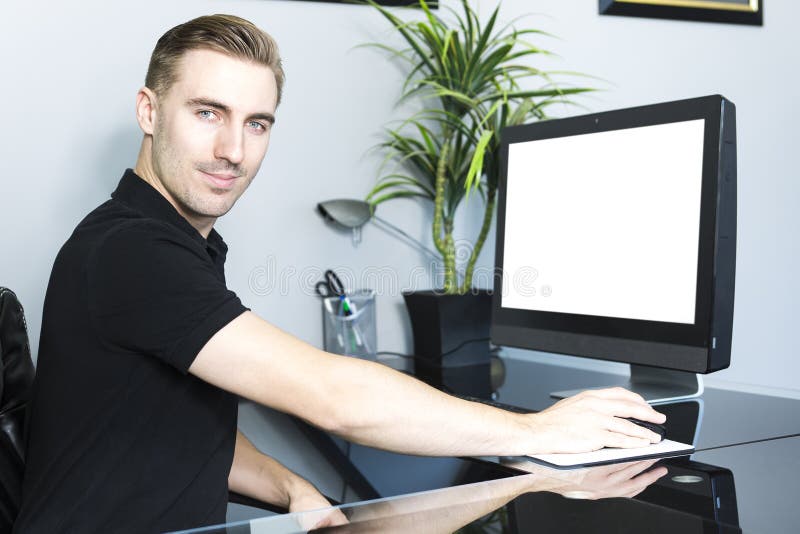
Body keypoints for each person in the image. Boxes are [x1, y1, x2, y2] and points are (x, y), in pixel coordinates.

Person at [13, 14, 666, 533]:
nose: (233, 150)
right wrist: (535, 432)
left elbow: (162, 427)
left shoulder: (168, 244)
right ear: (149, 111)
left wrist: (291, 487)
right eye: (207, 113)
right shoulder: (131, 251)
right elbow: (334, 398)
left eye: (256, 123)